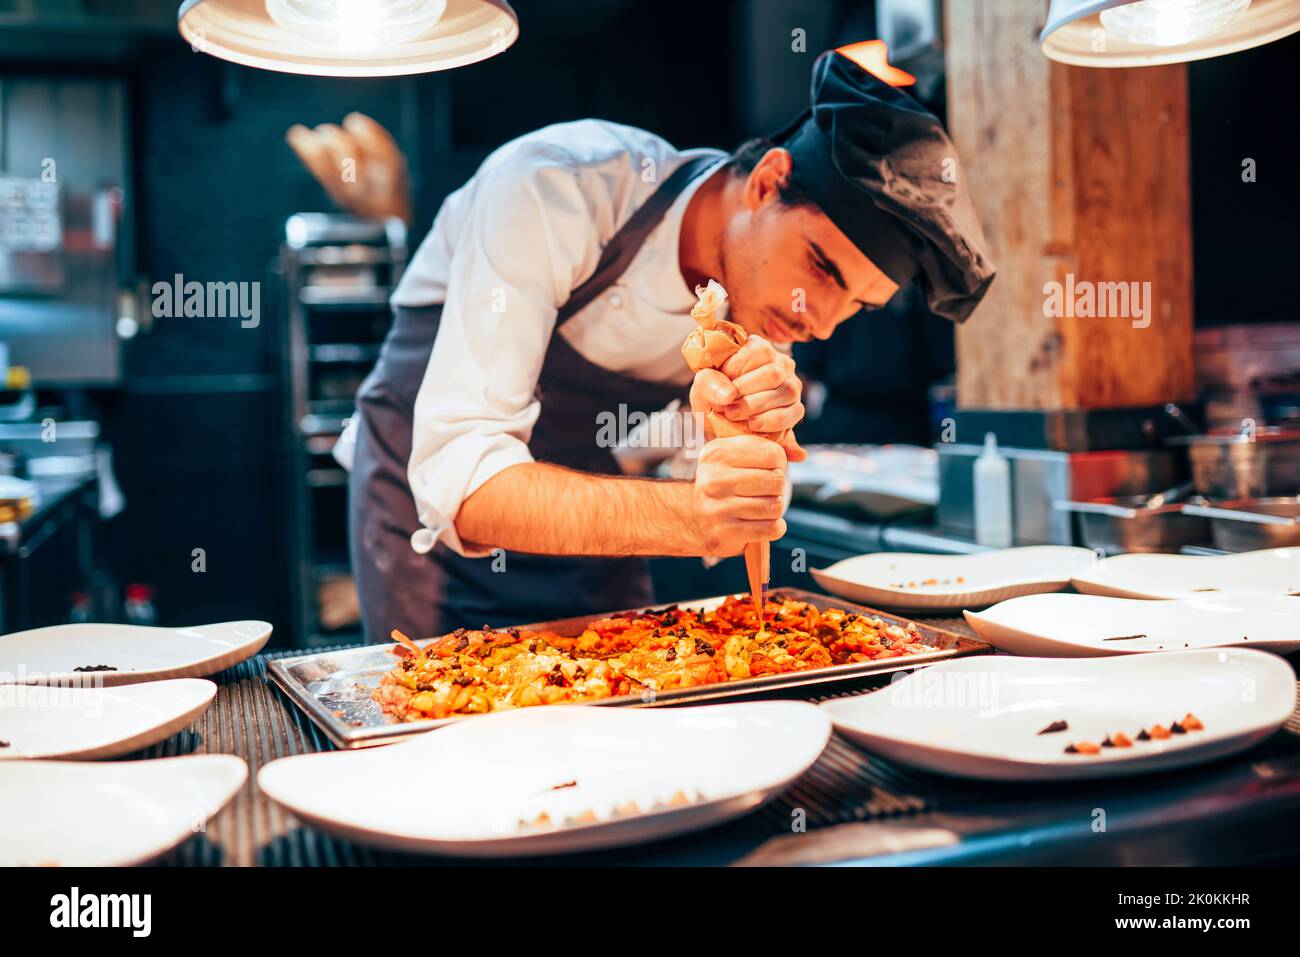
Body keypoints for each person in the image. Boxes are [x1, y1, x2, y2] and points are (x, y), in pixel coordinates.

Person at [289, 49, 995, 642]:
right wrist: (694, 515)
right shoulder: (556, 185)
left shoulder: (764, 304)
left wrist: (736, 442)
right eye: (822, 267)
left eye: (859, 305)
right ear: (768, 182)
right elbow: (467, 483)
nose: (823, 322)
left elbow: (652, 449)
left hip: (588, 535)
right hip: (430, 524)